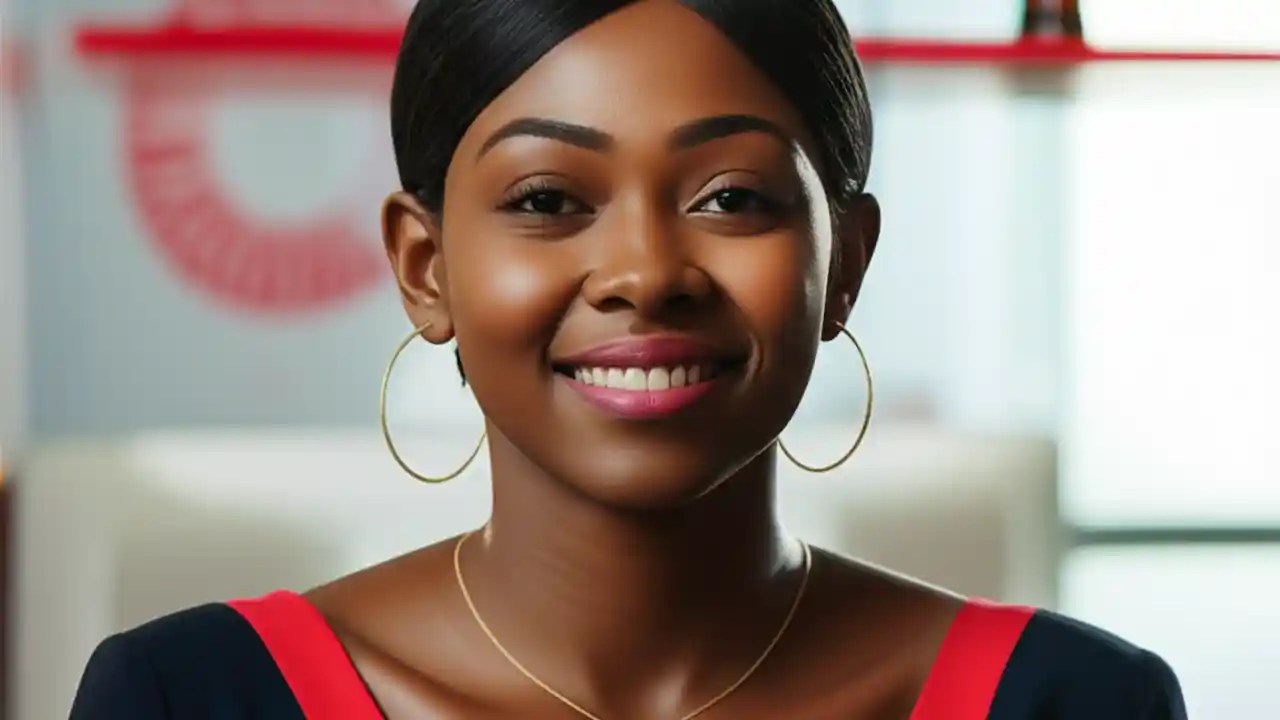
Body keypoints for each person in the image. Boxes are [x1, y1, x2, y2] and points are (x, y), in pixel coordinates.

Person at [69, 1, 1187, 718]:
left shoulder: (1077, 703)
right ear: (425, 267)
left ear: (844, 262)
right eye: (546, 199)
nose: (646, 274)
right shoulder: (187, 698)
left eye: (730, 198)